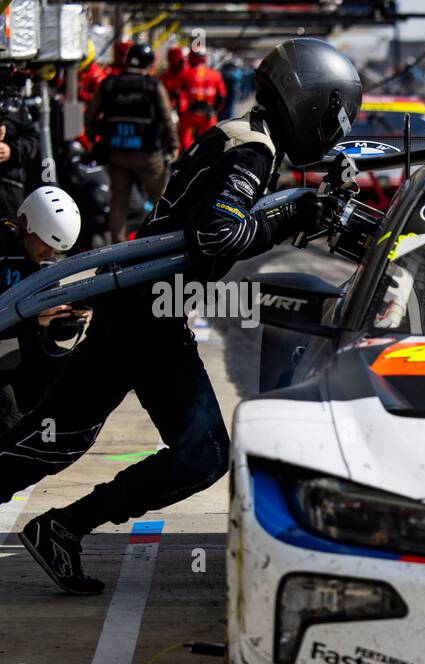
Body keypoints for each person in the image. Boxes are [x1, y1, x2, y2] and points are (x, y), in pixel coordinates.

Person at [0, 37, 362, 594]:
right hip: (146, 316)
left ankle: (62, 529)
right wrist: (292, 218)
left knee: (55, 440)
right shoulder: (254, 151)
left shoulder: (248, 137)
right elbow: (217, 233)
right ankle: (64, 527)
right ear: (309, 105)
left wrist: (296, 208)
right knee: (198, 451)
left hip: (146, 311)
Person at [0, 187, 87, 430]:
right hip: (4, 365)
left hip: (21, 360)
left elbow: (51, 335)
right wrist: (33, 319)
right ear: (25, 224)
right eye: (46, 245)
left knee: (82, 378)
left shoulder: (46, 260)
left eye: (55, 250)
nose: (49, 254)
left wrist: (68, 318)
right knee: (13, 432)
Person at [84, 43, 179, 243]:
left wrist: (94, 138)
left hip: (117, 153)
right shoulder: (153, 85)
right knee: (161, 201)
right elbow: (166, 118)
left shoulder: (110, 84)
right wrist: (173, 146)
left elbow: (90, 115)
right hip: (148, 155)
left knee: (118, 203)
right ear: (149, 63)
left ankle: (118, 250)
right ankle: (165, 242)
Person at [0, 67, 41, 221]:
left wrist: (11, 150)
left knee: (12, 234)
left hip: (9, 184)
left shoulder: (15, 102)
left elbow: (33, 140)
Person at [178, 47, 227, 150]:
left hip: (189, 115)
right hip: (208, 115)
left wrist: (180, 111)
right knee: (208, 146)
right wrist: (215, 111)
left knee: (185, 145)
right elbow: (222, 96)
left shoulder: (185, 73)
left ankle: (186, 162)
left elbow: (179, 94)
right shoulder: (215, 75)